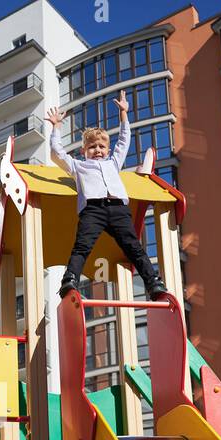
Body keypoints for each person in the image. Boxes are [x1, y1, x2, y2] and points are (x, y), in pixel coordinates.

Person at [45, 91, 168, 300]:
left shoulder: (114, 163)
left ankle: (153, 282)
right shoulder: (78, 166)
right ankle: (69, 279)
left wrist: (124, 114)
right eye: (92, 147)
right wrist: (56, 127)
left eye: (102, 146)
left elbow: (124, 140)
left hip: (118, 209)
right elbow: (57, 153)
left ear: (108, 150)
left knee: (133, 246)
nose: (98, 150)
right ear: (84, 151)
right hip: (93, 210)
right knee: (83, 245)